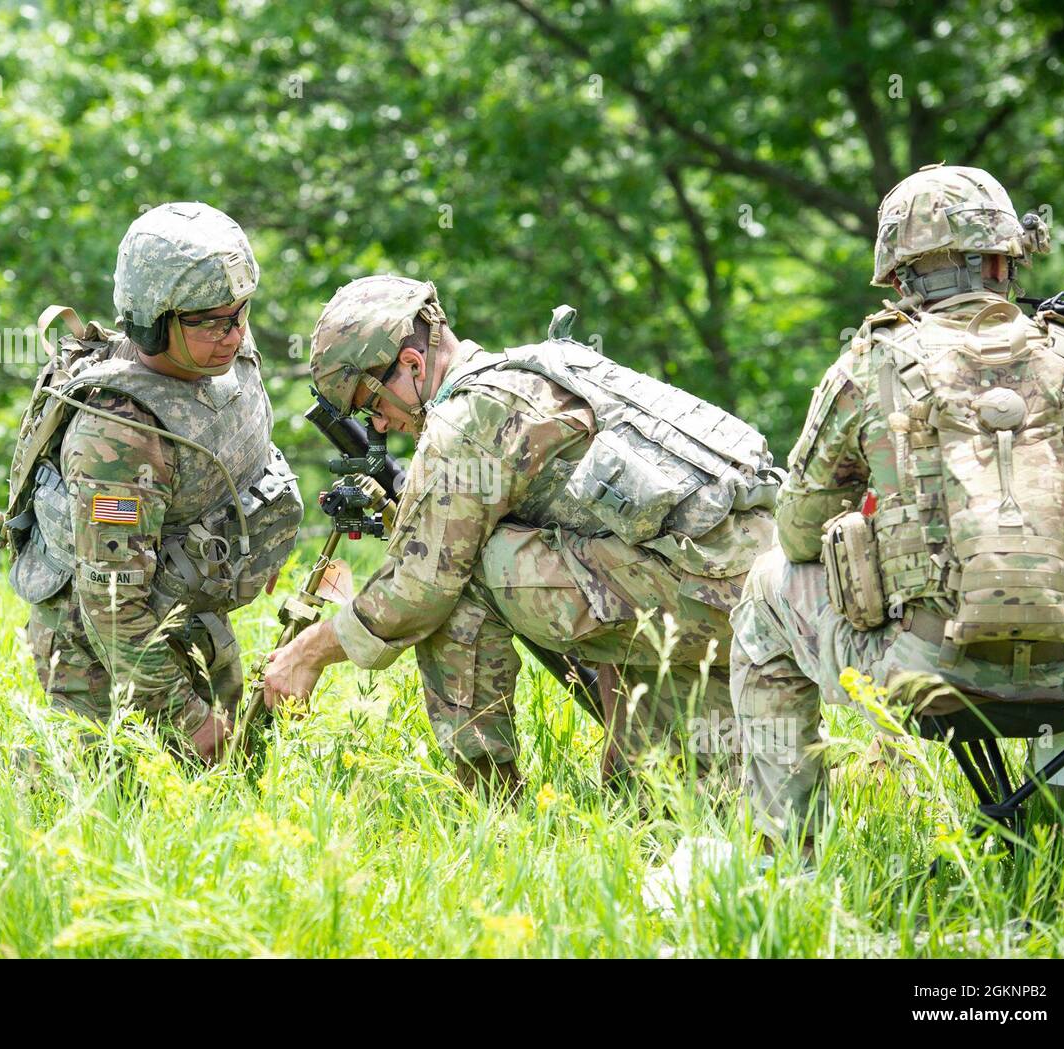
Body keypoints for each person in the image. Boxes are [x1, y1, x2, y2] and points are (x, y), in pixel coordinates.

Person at [263, 275, 779, 793]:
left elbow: (417, 589)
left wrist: (308, 652)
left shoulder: (466, 420)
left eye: (372, 404)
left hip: (706, 594)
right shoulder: (540, 366)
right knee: (671, 809)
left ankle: (491, 801)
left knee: (461, 575)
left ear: (413, 366)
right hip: (752, 589)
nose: (377, 426)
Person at [729, 163, 1064, 842]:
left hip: (930, 670)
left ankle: (789, 860)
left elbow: (799, 532)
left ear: (900, 276)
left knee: (762, 592)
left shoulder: (872, 363)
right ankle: (1056, 837)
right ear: (1003, 259)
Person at [0, 202, 302, 763]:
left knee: (235, 777)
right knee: (95, 797)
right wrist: (189, 718)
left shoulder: (220, 357)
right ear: (153, 321)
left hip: (188, 612)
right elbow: (111, 608)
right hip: (99, 652)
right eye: (211, 321)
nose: (233, 335)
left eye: (240, 313)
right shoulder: (119, 441)